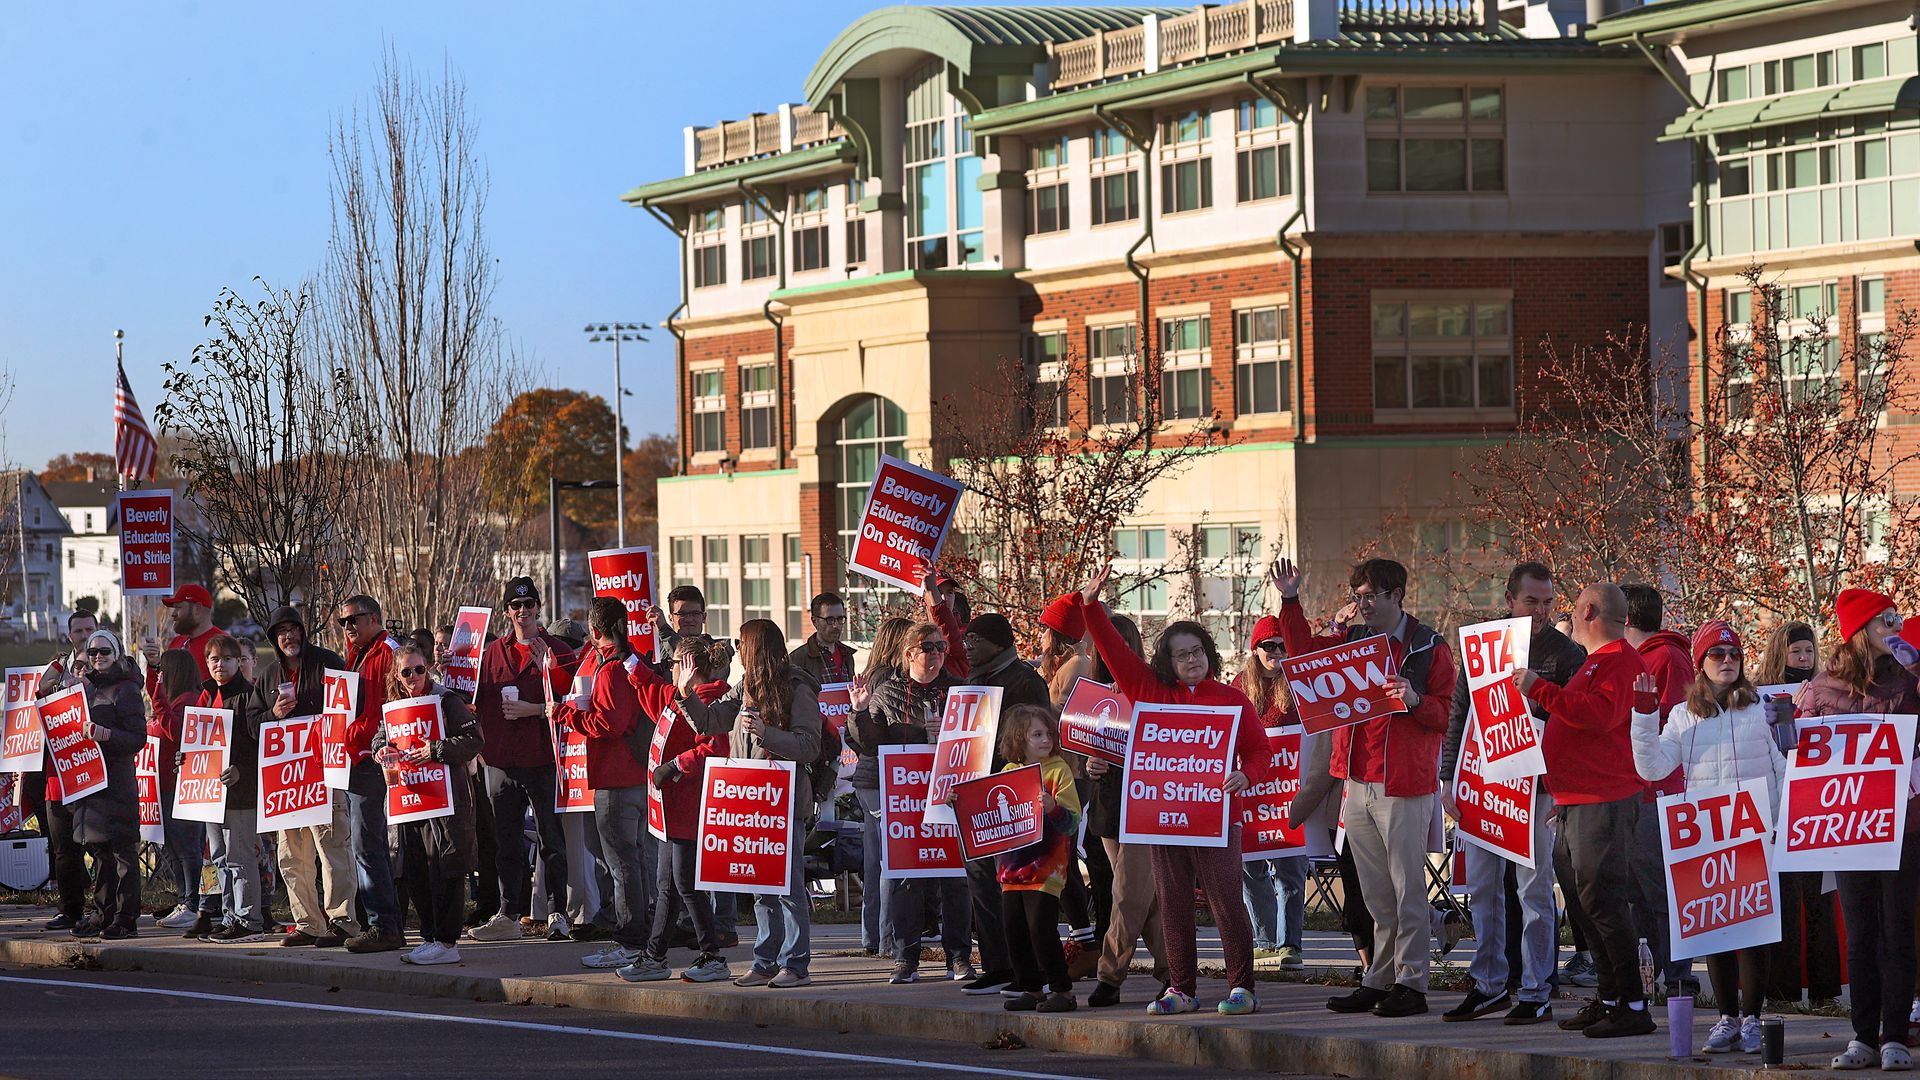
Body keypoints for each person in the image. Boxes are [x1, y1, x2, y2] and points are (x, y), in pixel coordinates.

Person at [1076, 564, 1274, 1017]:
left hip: (1219, 819)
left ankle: (1242, 986)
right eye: (1182, 654)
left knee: (1226, 904)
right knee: (1174, 908)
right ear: (1166, 662)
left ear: (1209, 655)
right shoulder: (1148, 691)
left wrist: (1246, 777)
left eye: (1198, 651)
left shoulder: (1231, 699)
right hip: (1164, 820)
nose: (1191, 659)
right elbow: (1112, 649)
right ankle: (1181, 989)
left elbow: (1259, 753)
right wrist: (1090, 607)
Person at [1272, 557, 1455, 1019]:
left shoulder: (1429, 645)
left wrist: (1414, 700)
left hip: (1403, 783)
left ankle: (1412, 983)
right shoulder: (1353, 639)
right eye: (1358, 596)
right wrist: (1290, 599)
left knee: (1407, 887)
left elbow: (1446, 714)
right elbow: (1302, 658)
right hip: (1356, 778)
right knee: (1374, 892)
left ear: (1396, 595)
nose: (1362, 605)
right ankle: (1380, 976)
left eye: (1370, 596)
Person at [1439, 563, 1585, 1025]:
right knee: (1482, 888)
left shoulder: (1567, 654)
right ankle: (1488, 983)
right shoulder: (1483, 645)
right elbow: (1459, 712)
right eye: (1531, 601)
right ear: (1509, 599)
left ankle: (1537, 987)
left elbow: (1575, 725)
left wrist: (1561, 792)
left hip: (1536, 792)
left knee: (1534, 892)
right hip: (1483, 784)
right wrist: (1448, 780)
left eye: (1547, 602)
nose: (1541, 611)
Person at [1629, 620, 1784, 1054]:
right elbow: (1653, 769)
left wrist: (1780, 823)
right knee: (1716, 929)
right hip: (1707, 835)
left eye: (1734, 654)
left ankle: (1752, 1018)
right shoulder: (1683, 716)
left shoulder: (1761, 708)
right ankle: (1726, 1018)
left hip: (1754, 833)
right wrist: (1643, 716)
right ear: (1701, 663)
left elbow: (1784, 768)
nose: (1728, 661)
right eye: (1718, 655)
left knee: (1753, 930)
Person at [1516, 583, 1656, 1039]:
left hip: (1605, 800)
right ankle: (1611, 996)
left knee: (1604, 900)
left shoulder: (1619, 661)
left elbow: (1598, 716)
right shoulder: (1598, 661)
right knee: (1582, 901)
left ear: (1588, 610)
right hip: (1577, 801)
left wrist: (1542, 690)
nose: (1567, 617)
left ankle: (1632, 1004)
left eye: (1573, 610)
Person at [1799, 589, 1920, 1072]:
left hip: (1904, 826)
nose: (1895, 626)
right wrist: (1788, 731)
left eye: (1897, 617)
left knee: (1899, 931)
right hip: (1850, 829)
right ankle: (1863, 1037)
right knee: (1862, 933)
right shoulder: (1824, 687)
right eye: (1885, 619)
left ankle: (1894, 1036)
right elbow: (1805, 755)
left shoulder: (1910, 681)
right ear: (1859, 632)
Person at [677, 619, 821, 989]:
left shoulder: (797, 686)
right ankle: (764, 961)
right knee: (761, 889)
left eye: (742, 643)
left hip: (784, 800)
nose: (737, 650)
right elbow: (709, 722)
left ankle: (796, 964)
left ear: (757, 647)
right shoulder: (745, 688)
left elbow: (809, 746)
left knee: (787, 886)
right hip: (749, 800)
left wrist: (767, 734)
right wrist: (685, 694)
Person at [846, 621, 975, 987]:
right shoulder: (887, 693)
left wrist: (947, 736)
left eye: (940, 647)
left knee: (954, 879)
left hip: (950, 796)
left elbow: (977, 738)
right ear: (908, 655)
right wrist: (858, 712)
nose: (935, 654)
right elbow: (870, 745)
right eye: (927, 648)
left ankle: (960, 957)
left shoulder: (957, 690)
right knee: (906, 878)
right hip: (906, 798)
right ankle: (905, 958)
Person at [617, 635, 733, 984]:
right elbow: (653, 691)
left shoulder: (709, 698)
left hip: (689, 806)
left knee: (684, 884)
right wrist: (629, 659)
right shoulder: (683, 695)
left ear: (689, 667)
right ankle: (655, 955)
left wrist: (675, 766)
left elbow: (714, 746)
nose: (668, 670)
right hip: (670, 808)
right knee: (668, 884)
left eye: (673, 664)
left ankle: (712, 954)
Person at [469, 577, 578, 945]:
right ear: (507, 612)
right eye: (516, 606)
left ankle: (558, 913)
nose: (523, 610)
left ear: (537, 607)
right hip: (500, 760)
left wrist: (547, 674)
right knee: (506, 842)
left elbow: (574, 703)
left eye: (529, 603)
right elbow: (473, 701)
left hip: (543, 760)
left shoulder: (558, 648)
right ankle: (508, 913)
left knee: (551, 840)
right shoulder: (491, 654)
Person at [550, 596, 654, 972]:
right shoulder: (631, 662)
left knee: (623, 863)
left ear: (595, 632)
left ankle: (630, 941)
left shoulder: (611, 670)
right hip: (636, 776)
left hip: (617, 778)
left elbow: (608, 723)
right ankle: (638, 936)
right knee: (633, 860)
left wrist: (567, 715)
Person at [952, 603, 1052, 994]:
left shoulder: (1023, 681)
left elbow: (1035, 738)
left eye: (974, 640)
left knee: (1016, 883)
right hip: (972, 793)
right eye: (966, 639)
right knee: (980, 881)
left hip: (1010, 793)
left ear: (999, 644)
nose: (967, 647)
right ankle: (995, 964)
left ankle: (1025, 967)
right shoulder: (972, 679)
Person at [372, 644, 484, 966]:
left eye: (419, 670)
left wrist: (435, 750)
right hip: (411, 800)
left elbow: (474, 740)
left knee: (445, 868)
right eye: (406, 672)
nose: (413, 677)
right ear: (397, 674)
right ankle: (430, 936)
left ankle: (448, 942)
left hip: (446, 802)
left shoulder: (447, 701)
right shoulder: (395, 707)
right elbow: (381, 736)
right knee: (416, 869)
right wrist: (382, 750)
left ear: (428, 669)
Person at [252, 605, 355, 949]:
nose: (288, 637)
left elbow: (347, 709)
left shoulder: (328, 663)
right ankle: (308, 922)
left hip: (324, 775)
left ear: (303, 631)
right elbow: (252, 724)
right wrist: (272, 713)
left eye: (293, 629)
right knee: (291, 855)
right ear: (273, 638)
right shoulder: (267, 675)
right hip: (286, 780)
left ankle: (342, 921)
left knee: (332, 850)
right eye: (281, 632)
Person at [1083, 613, 1170, 1008]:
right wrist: (1090, 763)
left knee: (1127, 893)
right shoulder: (1092, 691)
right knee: (1143, 898)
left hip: (1146, 802)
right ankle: (1174, 973)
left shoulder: (1150, 688)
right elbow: (1080, 744)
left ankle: (1110, 976)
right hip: (1108, 801)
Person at [1752, 621, 1838, 1007]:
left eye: (1808, 651)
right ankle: (1781, 991)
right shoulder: (1757, 694)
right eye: (1796, 652)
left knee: (1819, 898)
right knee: (1783, 900)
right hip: (1777, 806)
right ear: (1780, 654)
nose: (1804, 659)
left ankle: (1825, 992)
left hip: (1816, 804)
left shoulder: (1826, 687)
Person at [981, 704, 1082, 1014]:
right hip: (1011, 869)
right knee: (1014, 929)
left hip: (1047, 869)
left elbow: (1072, 822)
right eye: (1036, 735)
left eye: (1048, 734)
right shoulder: (1009, 773)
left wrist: (1052, 807)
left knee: (1041, 928)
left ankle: (1062, 990)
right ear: (1019, 739)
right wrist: (960, 803)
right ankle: (1032, 987)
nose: (1045, 740)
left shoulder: (1059, 770)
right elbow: (986, 817)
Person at [1621, 583, 1692, 993]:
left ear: (1626, 619)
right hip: (1635, 791)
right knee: (1638, 892)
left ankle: (1679, 977)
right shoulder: (1644, 658)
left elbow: (1670, 724)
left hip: (1659, 792)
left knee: (1661, 890)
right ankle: (1649, 974)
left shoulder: (1667, 657)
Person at [1234, 615, 1306, 968]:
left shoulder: (1298, 685)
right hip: (1251, 790)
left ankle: (1290, 944)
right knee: (1251, 869)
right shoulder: (1238, 687)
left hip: (1287, 791)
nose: (1277, 652)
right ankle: (1264, 939)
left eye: (1282, 645)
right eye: (1270, 646)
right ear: (1256, 649)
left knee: (1290, 868)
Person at [67, 629, 146, 939]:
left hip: (117, 781)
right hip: (90, 783)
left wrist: (104, 735)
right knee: (99, 851)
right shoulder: (86, 690)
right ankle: (103, 913)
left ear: (117, 655)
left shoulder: (125, 690)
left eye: (105, 652)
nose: (98, 657)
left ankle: (126, 919)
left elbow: (137, 738)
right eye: (93, 652)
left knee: (123, 852)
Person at [338, 594, 407, 953]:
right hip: (356, 758)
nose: (348, 627)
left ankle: (384, 925)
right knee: (365, 845)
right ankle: (379, 922)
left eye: (354, 619)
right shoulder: (361, 654)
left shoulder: (387, 652)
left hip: (374, 759)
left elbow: (385, 711)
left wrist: (344, 735)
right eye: (343, 622)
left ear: (375, 618)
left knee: (369, 844)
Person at [846, 615, 915, 959]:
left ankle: (871, 934)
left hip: (867, 778)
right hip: (883, 776)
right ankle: (887, 937)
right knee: (891, 860)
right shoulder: (890, 683)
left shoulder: (871, 676)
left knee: (875, 861)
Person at [196, 633, 267, 943]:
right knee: (222, 859)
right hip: (209, 793)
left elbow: (261, 745)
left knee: (240, 857)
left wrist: (242, 769)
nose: (220, 664)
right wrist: (186, 757)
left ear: (239, 662)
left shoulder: (248, 695)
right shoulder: (207, 695)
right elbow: (197, 739)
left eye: (227, 659)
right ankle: (229, 915)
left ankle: (249, 919)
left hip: (241, 793)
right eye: (214, 659)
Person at [35, 610, 100, 931]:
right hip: (59, 770)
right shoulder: (58, 668)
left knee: (101, 843)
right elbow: (38, 702)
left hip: (93, 769)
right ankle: (70, 909)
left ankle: (104, 909)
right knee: (64, 847)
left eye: (90, 629)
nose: (84, 635)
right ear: (69, 634)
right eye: (79, 630)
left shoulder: (109, 663)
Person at [147, 649, 210, 931]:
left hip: (179, 786)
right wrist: (151, 675)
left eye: (163, 671)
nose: (160, 677)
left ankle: (192, 902)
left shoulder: (189, 701)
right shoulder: (174, 699)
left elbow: (175, 730)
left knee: (186, 848)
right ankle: (185, 899)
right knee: (172, 848)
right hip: (163, 786)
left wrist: (159, 698)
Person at [789, 592, 855, 685]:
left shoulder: (847, 654)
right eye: (830, 620)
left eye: (840, 619)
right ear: (815, 621)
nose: (836, 625)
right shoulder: (798, 659)